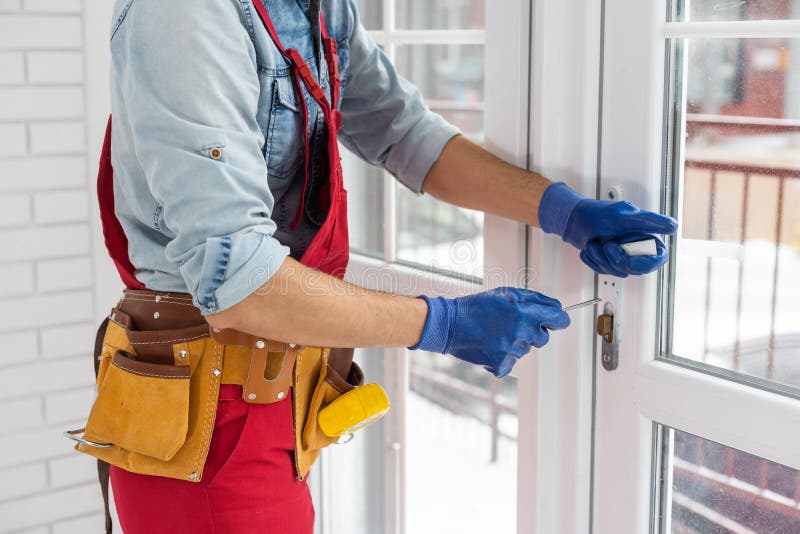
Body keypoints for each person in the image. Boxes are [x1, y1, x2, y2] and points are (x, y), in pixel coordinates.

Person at [86, 0, 678, 531]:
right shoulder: (184, 15)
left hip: (273, 402)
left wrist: (562, 210)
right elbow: (239, 280)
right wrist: (444, 324)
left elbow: (405, 133)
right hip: (205, 424)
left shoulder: (315, 8)